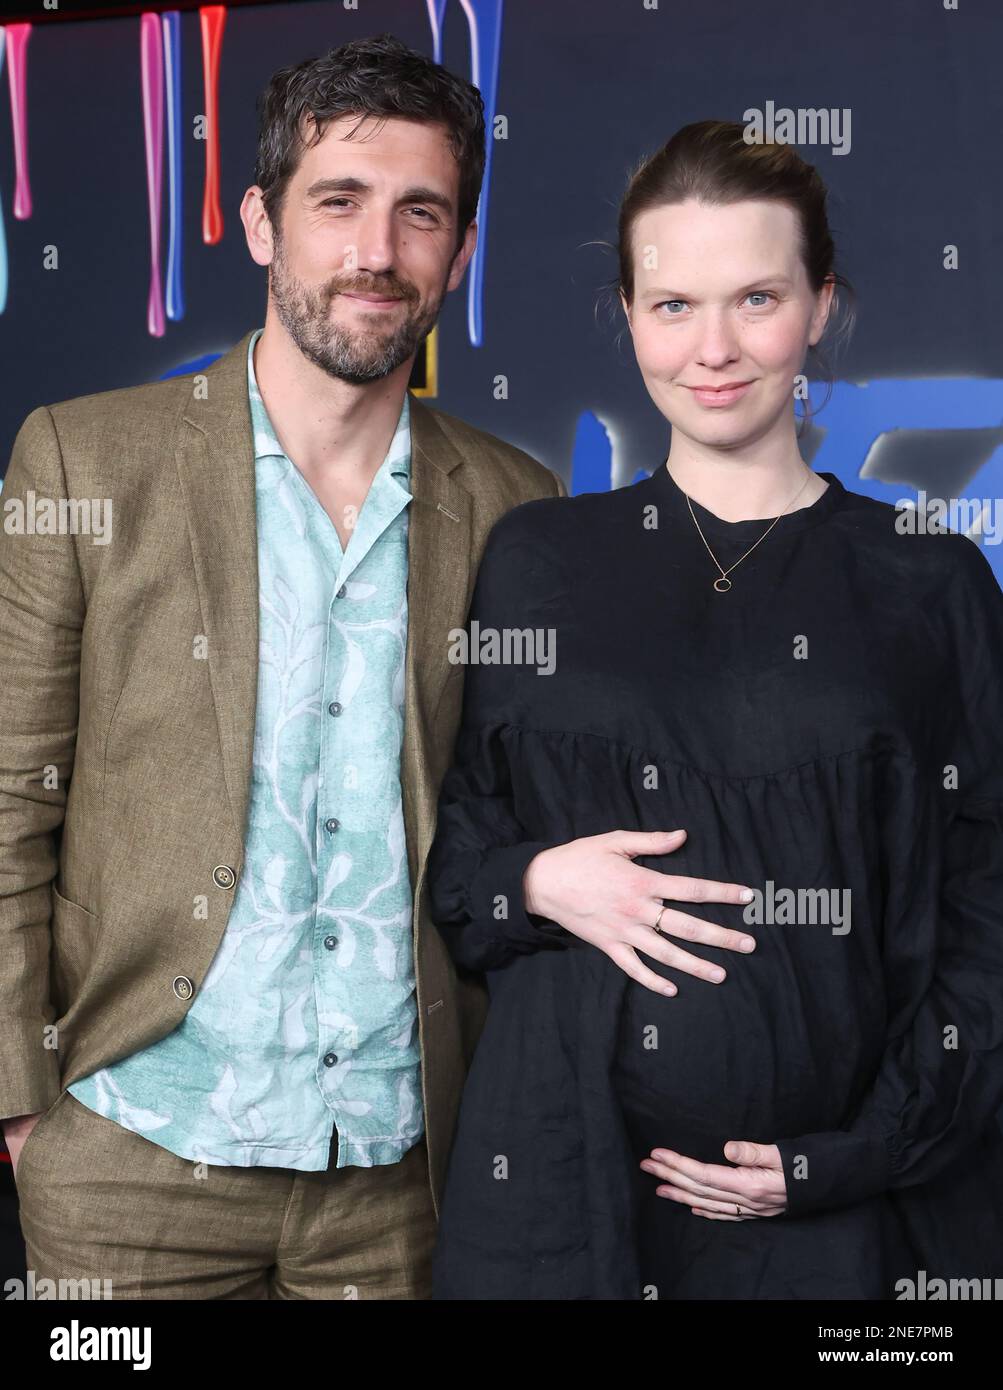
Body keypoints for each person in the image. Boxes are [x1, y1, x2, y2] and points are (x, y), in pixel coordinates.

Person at [0, 36, 746, 1300]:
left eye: (420, 214)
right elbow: (11, 794)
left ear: (459, 251)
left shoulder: (515, 505)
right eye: (335, 202)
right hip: (128, 1160)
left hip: (402, 1183)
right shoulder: (82, 463)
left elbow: (509, 822)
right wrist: (25, 1117)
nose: (375, 252)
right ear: (256, 221)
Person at [425, 120, 1003, 1300]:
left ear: (821, 305)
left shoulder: (927, 578)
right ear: (627, 315)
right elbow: (455, 866)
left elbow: (987, 914)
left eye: (756, 297)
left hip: (840, 1224)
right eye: (673, 304)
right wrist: (536, 882)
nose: (714, 347)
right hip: (560, 1199)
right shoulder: (534, 558)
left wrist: (848, 1156)